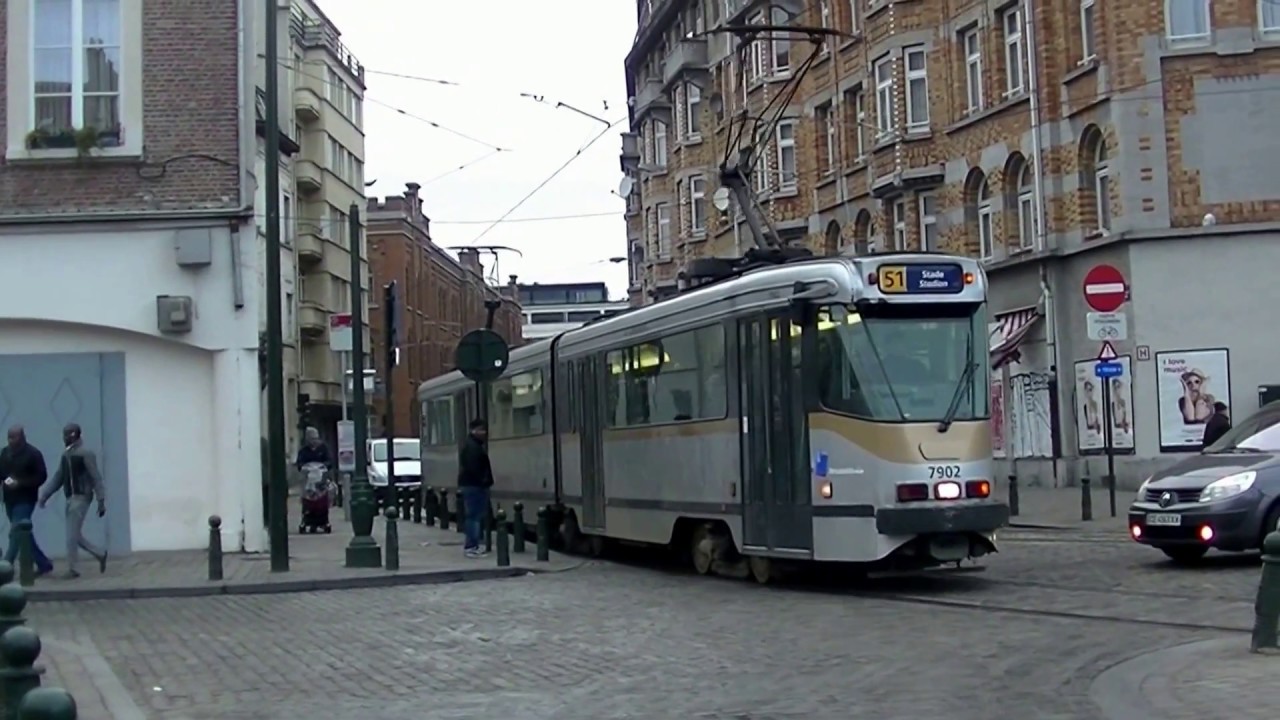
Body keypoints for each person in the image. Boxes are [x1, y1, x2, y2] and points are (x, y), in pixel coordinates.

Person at [38, 424, 107, 577]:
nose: (64, 438)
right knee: (75, 535)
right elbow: (59, 477)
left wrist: (101, 500)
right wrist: (45, 495)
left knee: (71, 536)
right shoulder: (66, 455)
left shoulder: (85, 454)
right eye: (64, 435)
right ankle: (100, 554)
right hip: (70, 498)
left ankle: (73, 569)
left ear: (75, 435)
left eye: (67, 434)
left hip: (82, 497)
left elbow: (96, 477)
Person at [0, 426, 53, 577]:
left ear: (22, 437)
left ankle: (6, 565)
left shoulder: (33, 454)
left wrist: (21, 483)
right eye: (9, 437)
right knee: (24, 533)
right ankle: (44, 564)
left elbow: (41, 476)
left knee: (16, 530)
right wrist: (5, 481)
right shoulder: (4, 453)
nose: (11, 440)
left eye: (14, 437)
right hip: (9, 498)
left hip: (25, 499)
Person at [457, 419, 493, 558]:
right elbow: (474, 468)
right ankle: (471, 546)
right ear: (473, 431)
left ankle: (473, 545)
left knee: (474, 516)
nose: (483, 433)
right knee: (474, 516)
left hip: (472, 484)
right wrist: (483, 481)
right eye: (480, 430)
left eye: (484, 430)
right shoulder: (473, 447)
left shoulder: (472, 445)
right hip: (474, 485)